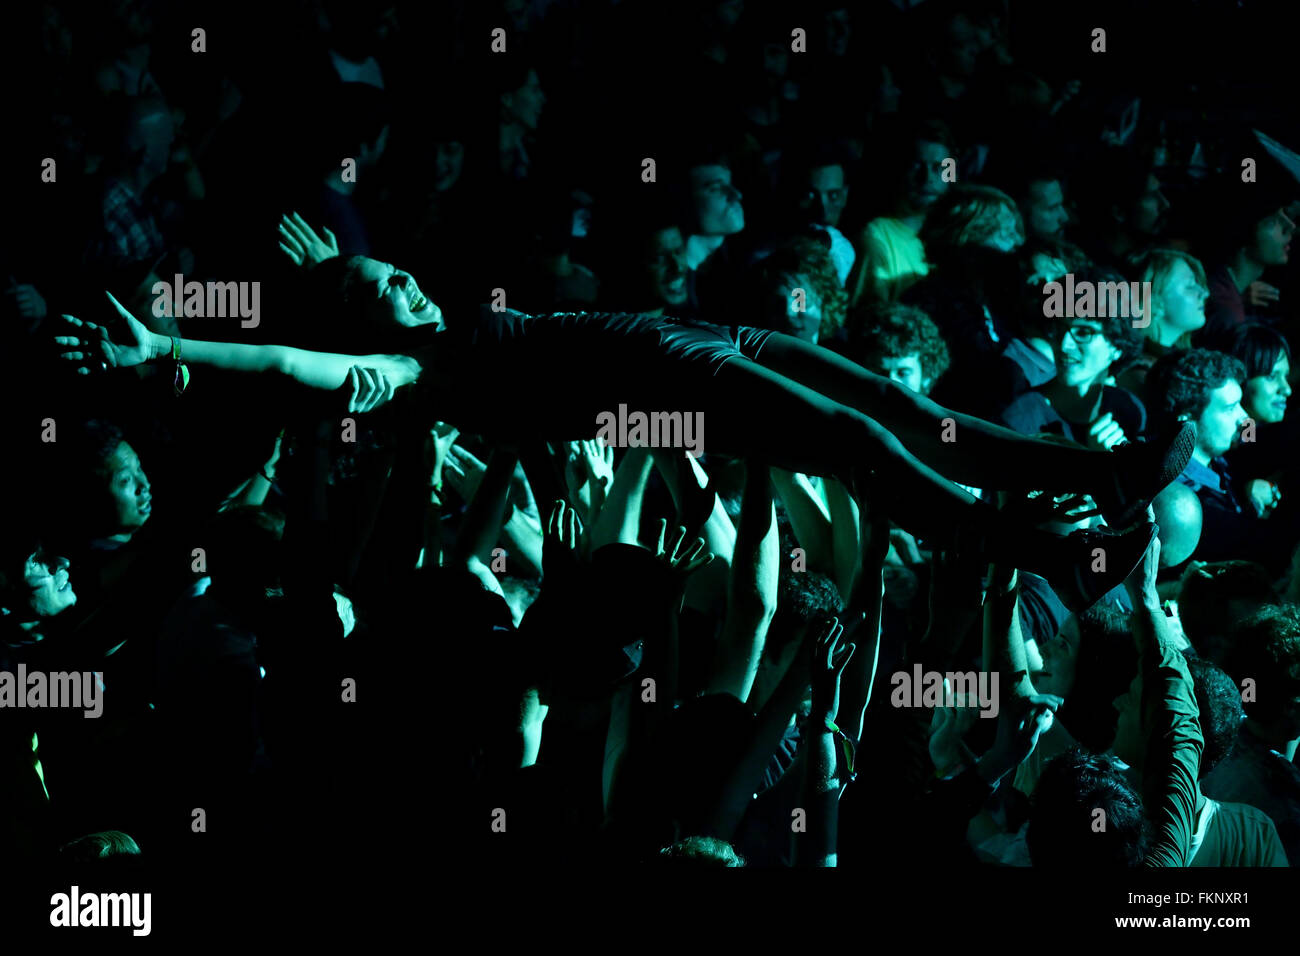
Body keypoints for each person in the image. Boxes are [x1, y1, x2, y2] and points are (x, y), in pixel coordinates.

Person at [60, 283, 1197, 614]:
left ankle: (1095, 477)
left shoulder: (443, 323)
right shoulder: (418, 374)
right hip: (670, 380)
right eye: (383, 288)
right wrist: (170, 343)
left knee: (900, 416)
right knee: (859, 438)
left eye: (400, 269)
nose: (406, 279)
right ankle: (1047, 552)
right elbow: (291, 369)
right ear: (371, 333)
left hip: (698, 333)